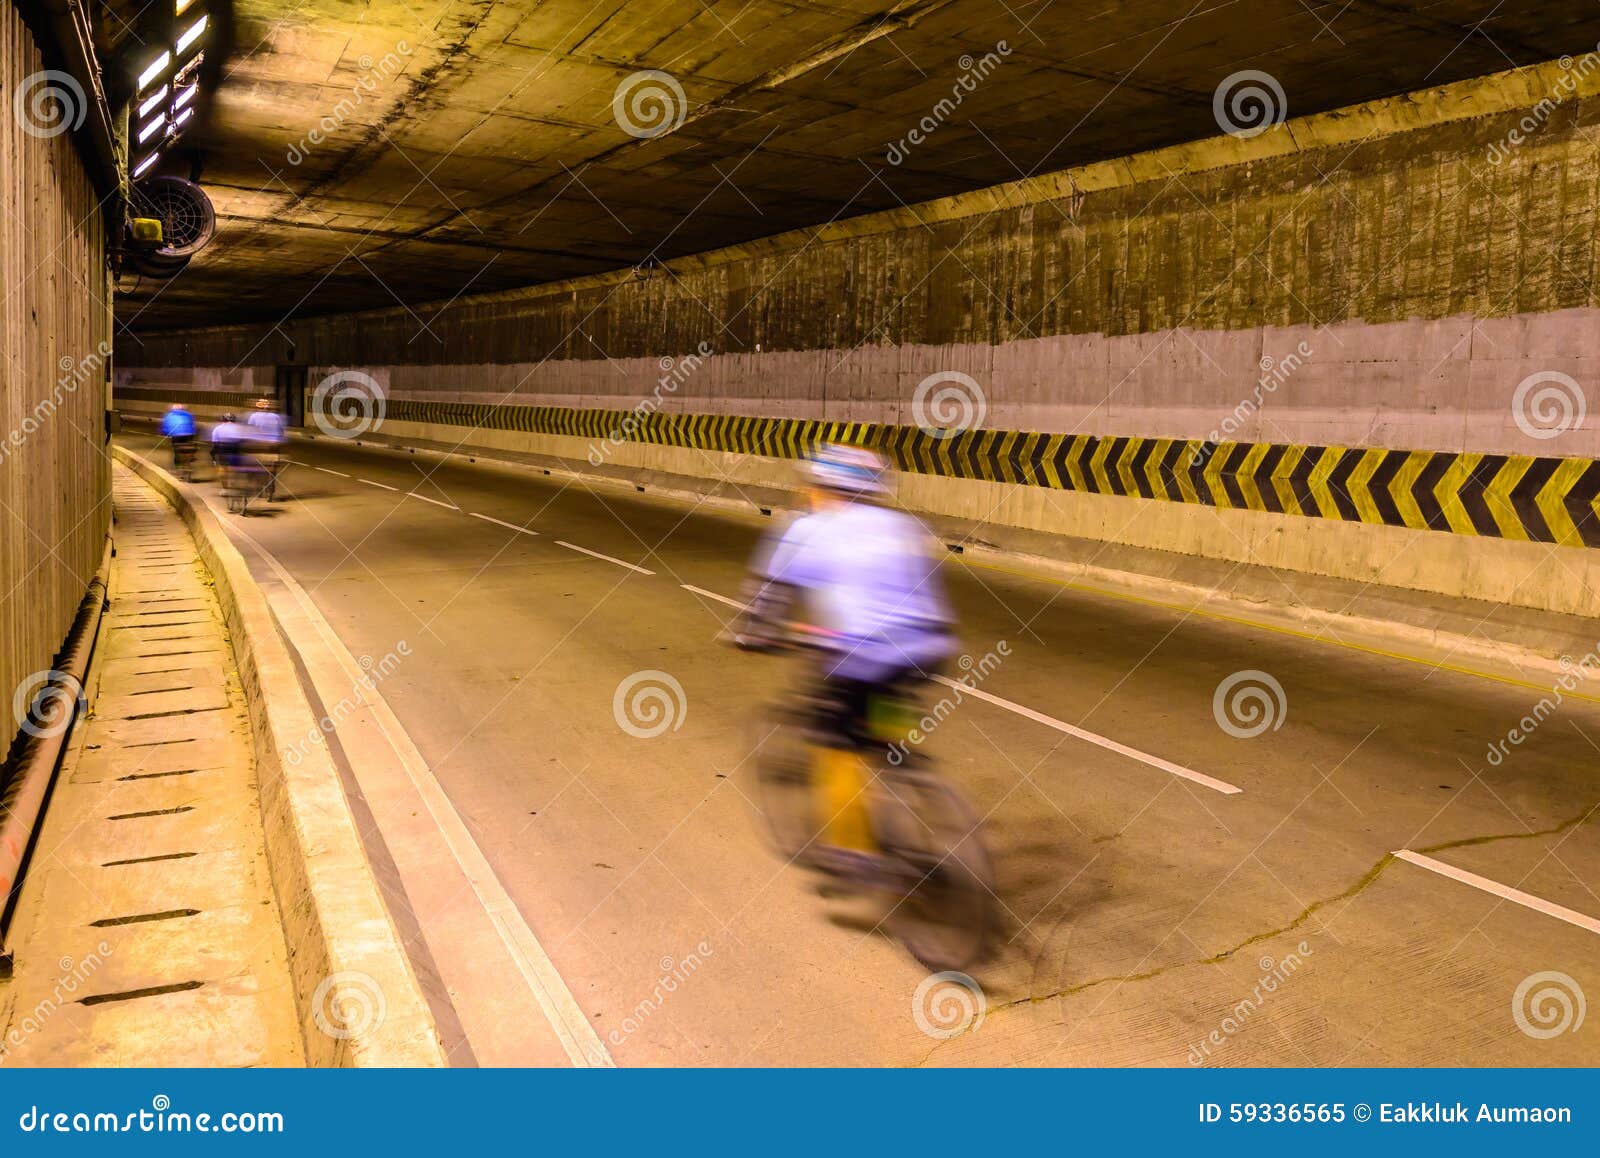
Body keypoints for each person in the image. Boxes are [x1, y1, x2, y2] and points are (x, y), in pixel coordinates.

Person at [736, 444, 955, 852]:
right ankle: (899, 763)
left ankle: (854, 854)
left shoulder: (808, 528)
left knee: (835, 742)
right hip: (927, 647)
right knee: (881, 728)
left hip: (861, 653)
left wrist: (755, 634)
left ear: (822, 488)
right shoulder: (903, 526)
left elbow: (767, 594)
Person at [159, 403, 196, 473]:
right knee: (189, 445)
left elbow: (165, 428)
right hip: (189, 435)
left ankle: (178, 467)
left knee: (176, 451)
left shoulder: (169, 415)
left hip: (176, 436)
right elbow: (192, 425)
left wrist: (165, 433)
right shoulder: (188, 414)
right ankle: (190, 457)